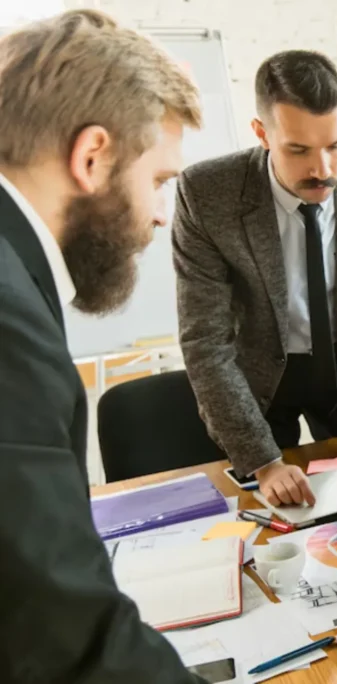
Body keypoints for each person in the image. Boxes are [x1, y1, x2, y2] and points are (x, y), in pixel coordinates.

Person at [0, 10, 205, 682]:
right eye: (159, 181)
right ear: (92, 157)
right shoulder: (8, 318)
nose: (160, 214)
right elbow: (67, 641)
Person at [174, 50, 337, 507]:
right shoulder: (207, 193)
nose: (324, 169)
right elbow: (204, 340)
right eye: (299, 149)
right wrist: (264, 462)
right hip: (256, 378)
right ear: (261, 134)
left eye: (335, 144)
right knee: (273, 512)